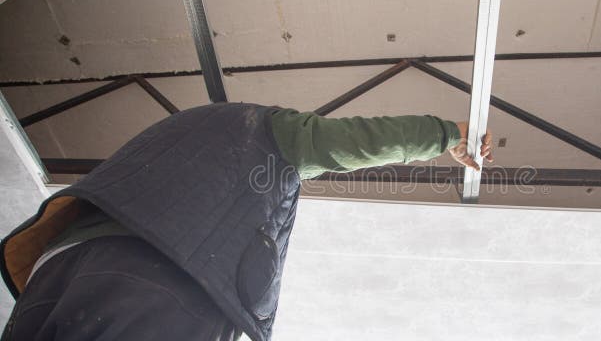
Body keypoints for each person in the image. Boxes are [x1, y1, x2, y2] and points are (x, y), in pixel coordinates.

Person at [0, 103, 494, 341]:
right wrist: (447, 135)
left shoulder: (176, 130)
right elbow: (353, 143)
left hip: (60, 266)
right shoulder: (262, 130)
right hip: (166, 273)